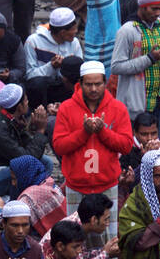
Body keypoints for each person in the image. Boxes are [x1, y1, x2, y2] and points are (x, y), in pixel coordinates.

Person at [52, 61, 131, 241]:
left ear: (105, 82)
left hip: (107, 185)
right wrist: (84, 132)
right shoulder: (67, 108)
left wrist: (103, 131)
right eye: (89, 84)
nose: (94, 89)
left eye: (98, 84)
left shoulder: (118, 108)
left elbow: (126, 145)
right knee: (75, 242)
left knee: (108, 242)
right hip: (76, 186)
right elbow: (59, 145)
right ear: (80, 84)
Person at [111, 0, 160, 144]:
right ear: (142, 6)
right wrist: (150, 58)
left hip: (159, 100)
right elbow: (116, 66)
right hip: (135, 104)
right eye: (153, 9)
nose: (158, 13)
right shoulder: (127, 31)